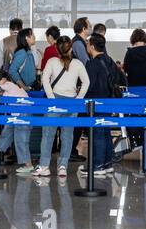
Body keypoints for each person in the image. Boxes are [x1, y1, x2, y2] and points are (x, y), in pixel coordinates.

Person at [38, 35, 89, 177]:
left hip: (54, 101)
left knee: (48, 134)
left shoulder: (52, 61)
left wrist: (51, 98)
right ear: (71, 48)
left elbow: (45, 79)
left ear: (57, 48)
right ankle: (62, 166)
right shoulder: (78, 63)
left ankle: (44, 166)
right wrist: (79, 99)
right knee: (67, 136)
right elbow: (86, 82)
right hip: (72, 103)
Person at [84, 33, 116, 176]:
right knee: (105, 131)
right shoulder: (110, 61)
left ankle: (97, 165)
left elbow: (88, 85)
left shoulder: (92, 63)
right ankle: (107, 163)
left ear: (91, 46)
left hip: (96, 101)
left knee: (97, 132)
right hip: (110, 100)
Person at [0, 68, 34, 174]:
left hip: (23, 113)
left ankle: (28, 165)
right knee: (7, 133)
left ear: (3, 79)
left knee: (21, 139)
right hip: (18, 114)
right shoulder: (9, 87)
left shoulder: (9, 85)